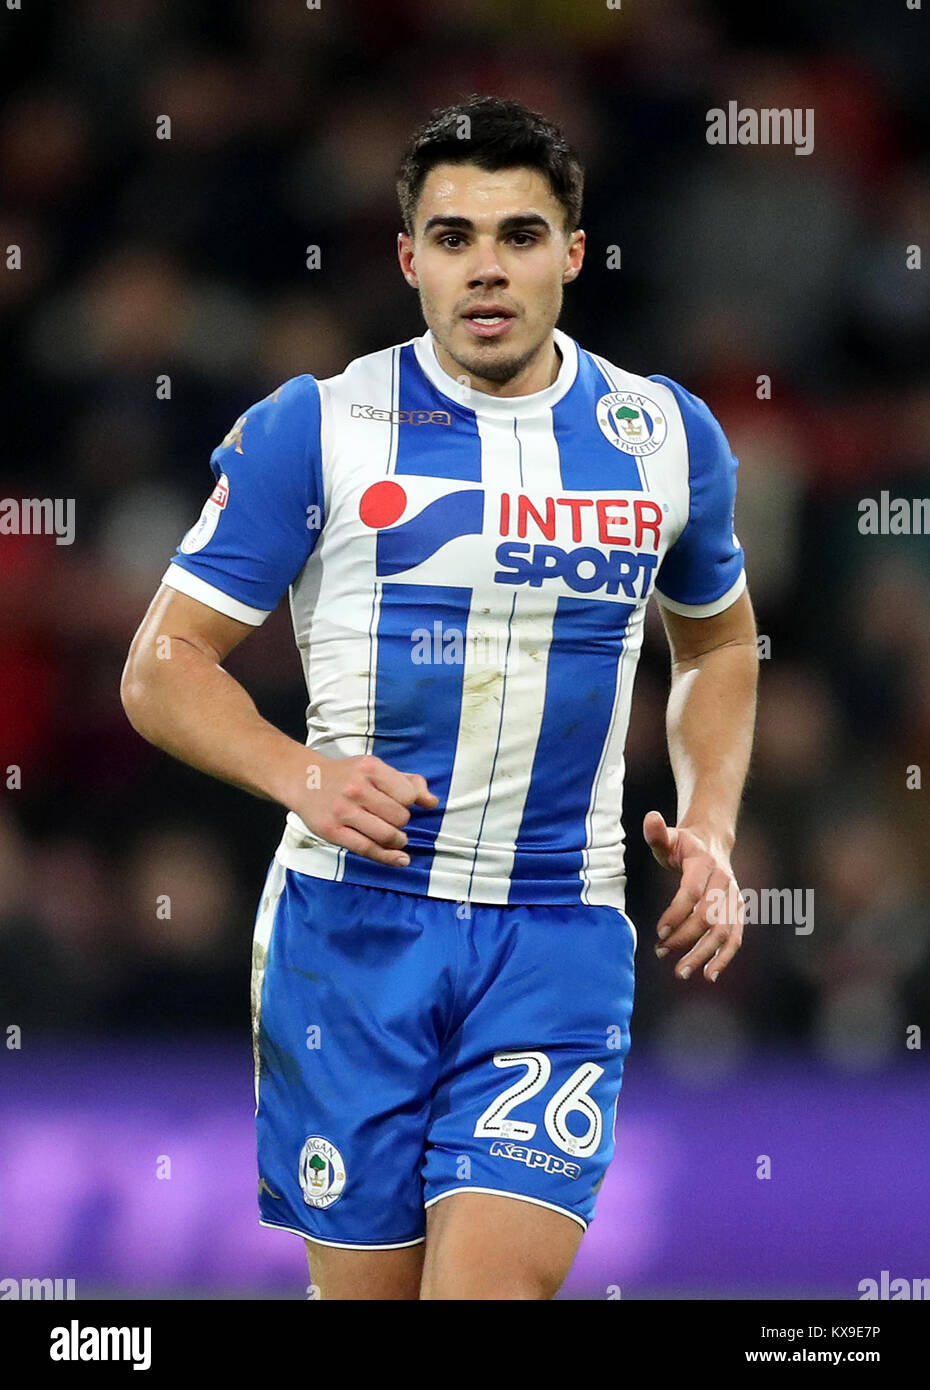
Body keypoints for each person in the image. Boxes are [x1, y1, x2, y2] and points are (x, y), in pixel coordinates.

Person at [120, 95, 758, 1300]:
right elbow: (161, 668)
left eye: (520, 236)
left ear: (572, 253)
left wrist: (713, 825)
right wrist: (299, 774)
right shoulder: (318, 427)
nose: (488, 269)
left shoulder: (664, 434)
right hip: (350, 933)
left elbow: (721, 645)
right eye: (454, 237)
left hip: (557, 929)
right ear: (409, 258)